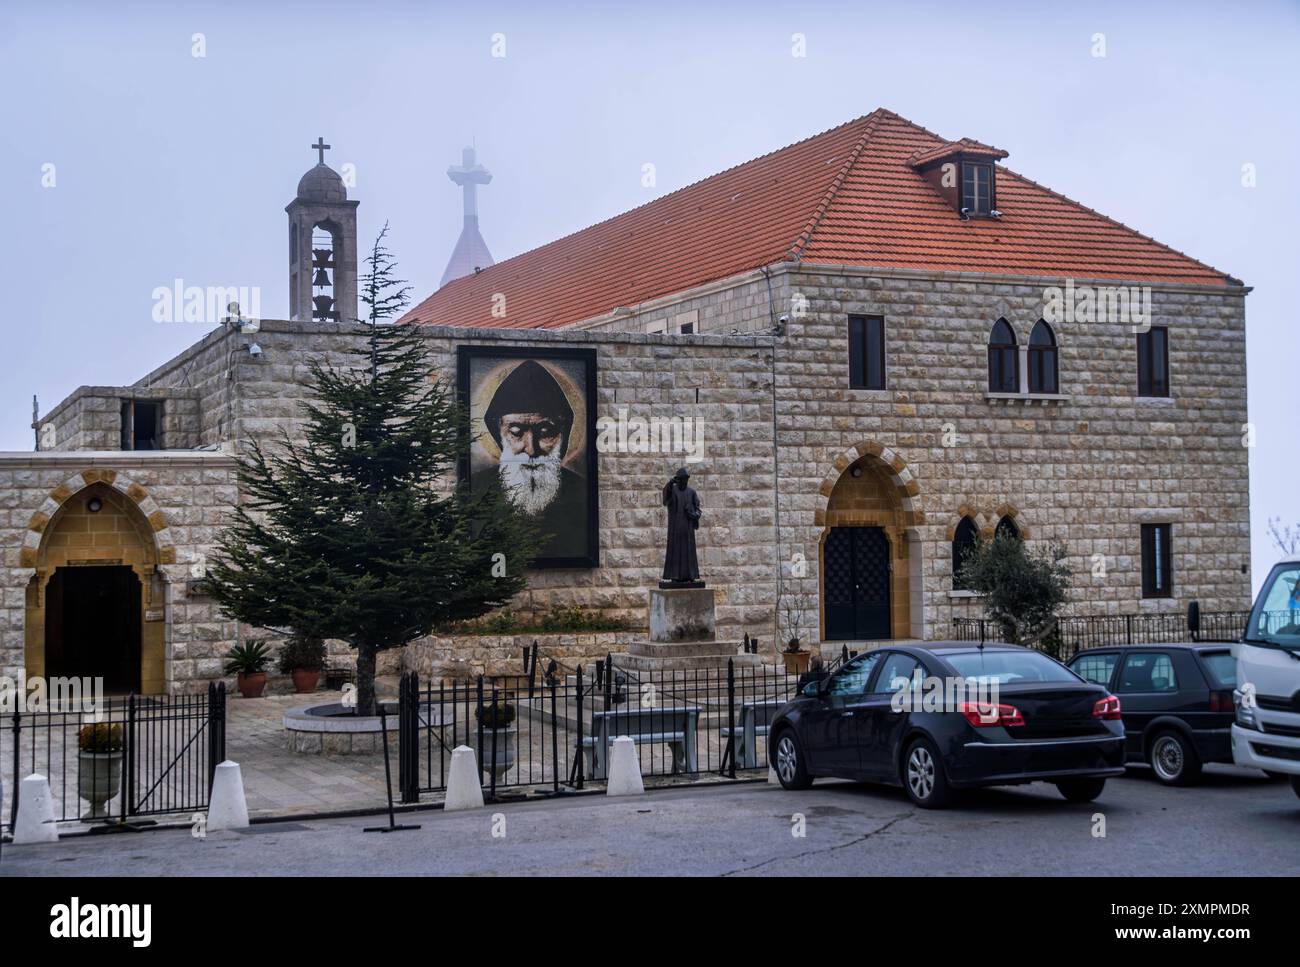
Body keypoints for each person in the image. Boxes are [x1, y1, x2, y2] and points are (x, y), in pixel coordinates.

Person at [470, 359, 586, 558]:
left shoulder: (582, 492)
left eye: (546, 431)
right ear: (499, 434)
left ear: (563, 435)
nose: (531, 449)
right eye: (516, 432)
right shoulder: (476, 489)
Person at [661, 467, 701, 583]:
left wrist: (693, 514)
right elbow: (665, 498)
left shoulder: (692, 492)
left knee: (688, 553)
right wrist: (669, 484)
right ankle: (675, 576)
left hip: (688, 530)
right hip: (675, 529)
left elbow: (698, 510)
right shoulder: (672, 490)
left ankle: (690, 575)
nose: (683, 482)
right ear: (677, 480)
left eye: (685, 480)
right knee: (675, 553)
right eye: (681, 480)